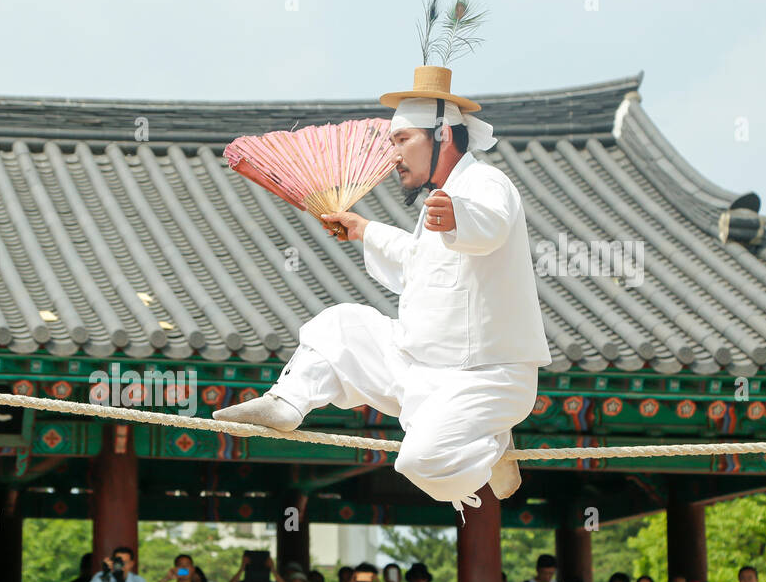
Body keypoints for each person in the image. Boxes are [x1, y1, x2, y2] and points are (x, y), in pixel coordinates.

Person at [214, 37, 548, 521]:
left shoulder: (483, 186)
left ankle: (489, 445)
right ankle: (287, 402)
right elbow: (417, 265)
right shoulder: (440, 202)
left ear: (443, 136)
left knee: (420, 460)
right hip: (419, 368)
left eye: (401, 140)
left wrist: (457, 217)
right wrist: (363, 228)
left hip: (485, 376)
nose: (391, 156)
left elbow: (489, 223)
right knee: (340, 324)